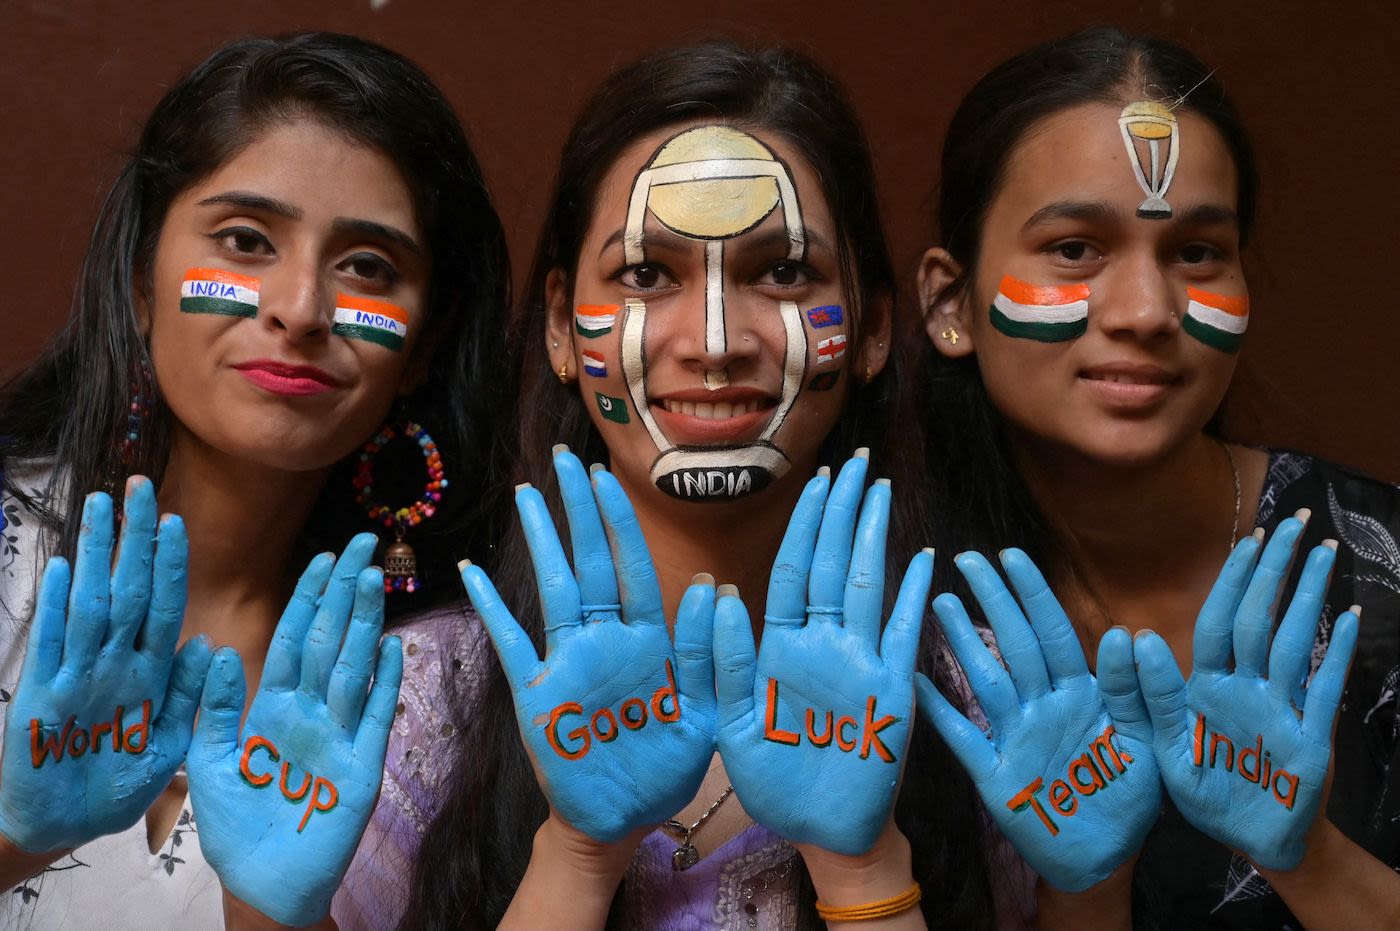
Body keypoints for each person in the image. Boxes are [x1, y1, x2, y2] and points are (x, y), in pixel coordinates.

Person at [362, 42, 1015, 931]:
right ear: (560, 326)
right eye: (646, 274)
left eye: (783, 272)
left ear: (872, 330)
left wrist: (861, 868)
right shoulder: (422, 704)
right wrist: (577, 853)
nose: (715, 342)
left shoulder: (987, 700)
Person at [0, 31, 510, 929]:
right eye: (245, 240)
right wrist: (13, 839)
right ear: (141, 279)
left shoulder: (445, 683)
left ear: (427, 343)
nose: (301, 309)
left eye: (368, 266)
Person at [914, 27, 1400, 929]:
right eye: (1074, 248)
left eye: (1197, 253)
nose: (1146, 311)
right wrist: (1086, 887)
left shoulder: (1380, 566)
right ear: (951, 304)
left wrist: (1312, 859)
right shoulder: (890, 612)